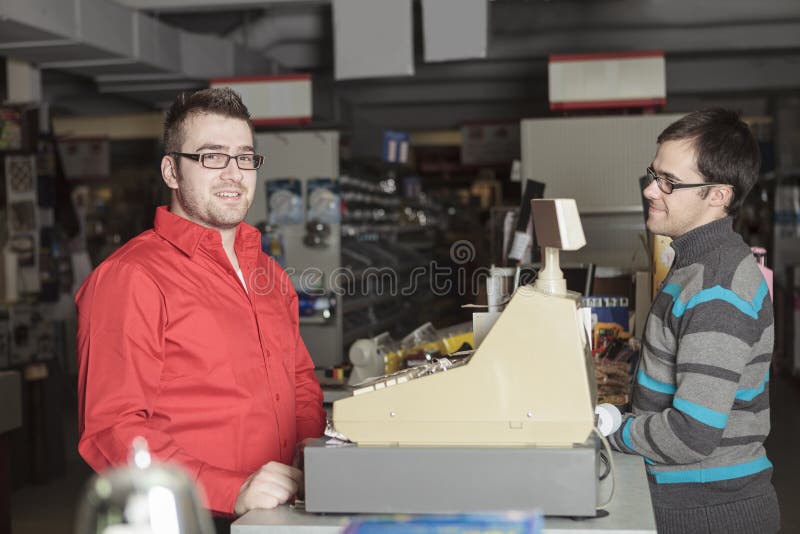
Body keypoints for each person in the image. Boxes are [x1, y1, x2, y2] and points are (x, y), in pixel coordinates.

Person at [75, 87, 326, 525]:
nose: (234, 173)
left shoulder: (270, 275)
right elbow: (113, 429)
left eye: (245, 157)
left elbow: (300, 382)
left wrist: (313, 453)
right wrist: (234, 489)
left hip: (282, 512)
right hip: (194, 518)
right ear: (171, 171)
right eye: (212, 156)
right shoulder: (131, 277)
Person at [608, 108, 779, 533]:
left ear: (718, 195)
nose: (650, 190)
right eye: (653, 174)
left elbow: (691, 435)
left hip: (708, 511)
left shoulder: (715, 288)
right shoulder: (695, 265)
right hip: (696, 500)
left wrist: (612, 431)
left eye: (669, 182)